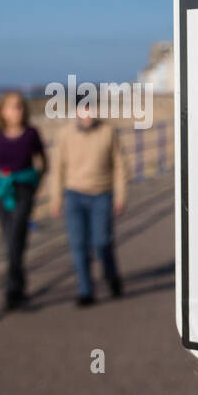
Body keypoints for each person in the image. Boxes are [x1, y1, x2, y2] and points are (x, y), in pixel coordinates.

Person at [48, 102, 127, 307]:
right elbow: (57, 168)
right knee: (78, 244)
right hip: (74, 195)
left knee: (102, 242)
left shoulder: (108, 132)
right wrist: (55, 199)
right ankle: (85, 289)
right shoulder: (64, 134)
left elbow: (119, 166)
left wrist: (121, 196)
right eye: (84, 109)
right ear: (76, 112)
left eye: (93, 109)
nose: (89, 114)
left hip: (102, 194)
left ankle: (111, 276)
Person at [0, 91, 46, 311]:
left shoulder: (31, 133)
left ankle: (13, 291)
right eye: (11, 106)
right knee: (11, 239)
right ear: (2, 111)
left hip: (24, 189)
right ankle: (17, 287)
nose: (16, 110)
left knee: (17, 237)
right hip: (2, 191)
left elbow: (42, 161)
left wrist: (35, 183)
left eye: (19, 106)